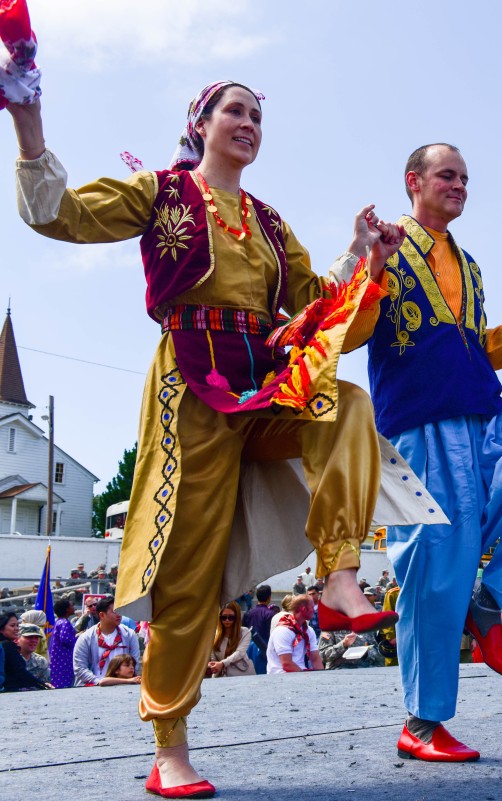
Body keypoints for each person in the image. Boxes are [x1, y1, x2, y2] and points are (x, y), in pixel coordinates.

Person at [5, 52, 448, 793]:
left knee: (345, 403)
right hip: (191, 381)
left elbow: (320, 307)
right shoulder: (162, 192)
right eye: (235, 111)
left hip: (263, 374)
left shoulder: (270, 224)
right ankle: (169, 744)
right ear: (200, 125)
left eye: (258, 116)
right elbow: (60, 214)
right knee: (187, 569)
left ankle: (339, 574)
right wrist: (27, 118)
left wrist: (368, 261)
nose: (248, 124)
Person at [364, 143, 502, 762]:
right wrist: (372, 268)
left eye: (465, 178)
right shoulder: (380, 244)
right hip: (413, 427)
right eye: (447, 175)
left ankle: (489, 606)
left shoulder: (472, 265)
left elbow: (470, 349)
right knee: (433, 570)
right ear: (414, 181)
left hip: (483, 415)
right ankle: (423, 724)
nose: (459, 185)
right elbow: (348, 330)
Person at [73, 597, 141, 687]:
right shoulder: (86, 638)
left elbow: (134, 662)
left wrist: (122, 681)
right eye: (114, 612)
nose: (119, 615)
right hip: (93, 687)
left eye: (120, 611)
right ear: (102, 615)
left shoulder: (129, 635)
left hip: (124, 686)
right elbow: (79, 668)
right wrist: (99, 681)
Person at [266, 594, 323, 673]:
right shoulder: (282, 631)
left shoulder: (309, 631)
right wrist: (306, 678)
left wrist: (321, 678)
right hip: (280, 677)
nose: (314, 610)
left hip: (300, 674)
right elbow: (286, 664)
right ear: (303, 609)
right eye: (312, 608)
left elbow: (315, 659)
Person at [1, 611, 46, 691]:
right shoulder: (7, 646)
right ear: (1, 628)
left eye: (17, 625)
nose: (16, 629)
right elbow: (20, 673)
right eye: (12, 626)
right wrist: (42, 686)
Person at [207, 602, 254, 678]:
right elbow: (213, 656)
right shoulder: (214, 634)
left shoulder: (245, 632)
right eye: (224, 617)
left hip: (241, 675)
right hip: (220, 676)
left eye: (231, 617)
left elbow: (240, 653)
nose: (227, 620)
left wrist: (222, 663)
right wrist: (213, 665)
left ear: (237, 618)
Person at [243, 585, 277, 676]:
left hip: (248, 646)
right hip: (264, 646)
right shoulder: (270, 614)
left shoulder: (248, 613)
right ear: (269, 597)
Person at [318, 627, 384, 669]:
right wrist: (343, 645)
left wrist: (367, 653)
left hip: (365, 670)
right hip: (339, 671)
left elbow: (379, 654)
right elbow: (322, 656)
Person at [47, 596, 77, 689]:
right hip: (63, 659)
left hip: (58, 659)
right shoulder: (64, 623)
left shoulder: (59, 622)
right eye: (72, 606)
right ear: (67, 609)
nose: (74, 608)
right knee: (63, 684)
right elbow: (65, 639)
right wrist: (79, 639)